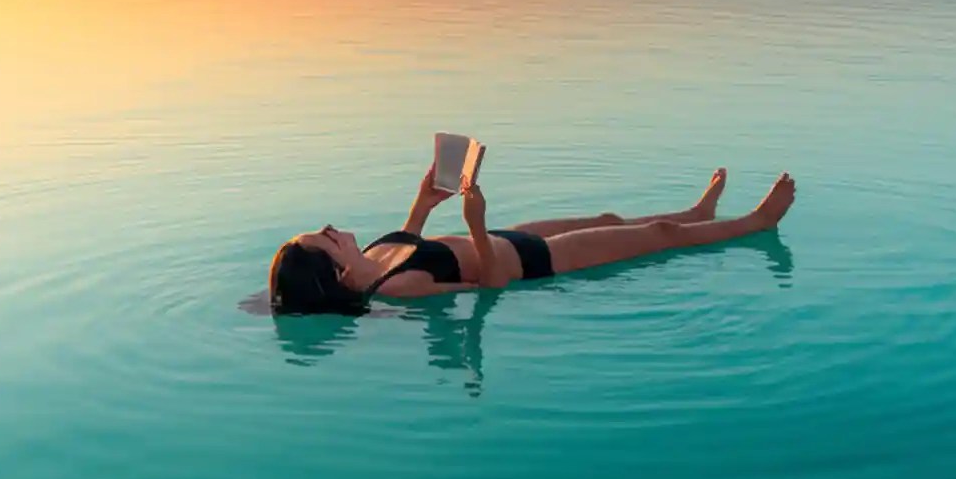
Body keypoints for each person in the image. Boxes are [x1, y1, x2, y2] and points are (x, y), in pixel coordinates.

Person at [267, 166, 796, 316]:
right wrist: (475, 225)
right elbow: (489, 288)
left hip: (506, 236)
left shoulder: (376, 255)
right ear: (337, 274)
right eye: (327, 239)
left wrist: (425, 201)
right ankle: (758, 222)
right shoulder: (397, 287)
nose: (334, 229)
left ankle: (697, 213)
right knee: (658, 238)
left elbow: (413, 236)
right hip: (538, 261)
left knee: (609, 216)